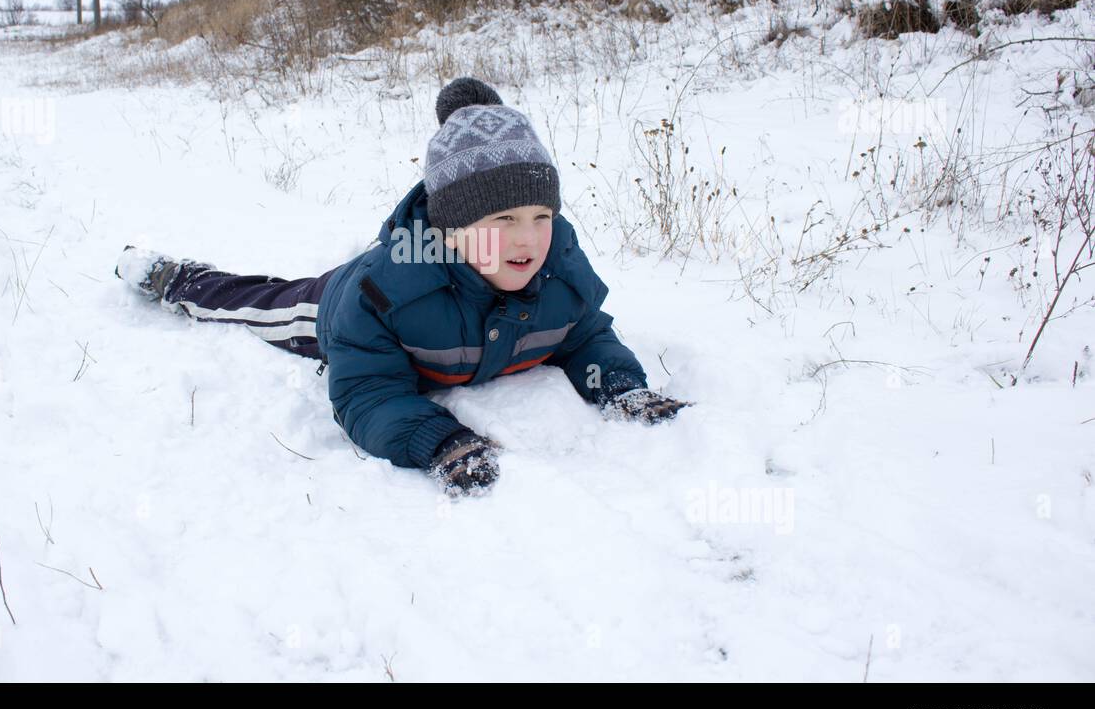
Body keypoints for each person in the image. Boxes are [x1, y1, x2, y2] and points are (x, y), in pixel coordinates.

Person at [116, 78, 689, 497]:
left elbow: (586, 336)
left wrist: (619, 387)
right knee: (255, 304)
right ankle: (176, 280)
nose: (528, 238)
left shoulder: (558, 270)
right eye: (502, 221)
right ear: (453, 226)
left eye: (541, 216)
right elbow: (366, 392)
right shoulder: (386, 295)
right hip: (334, 305)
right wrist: (439, 440)